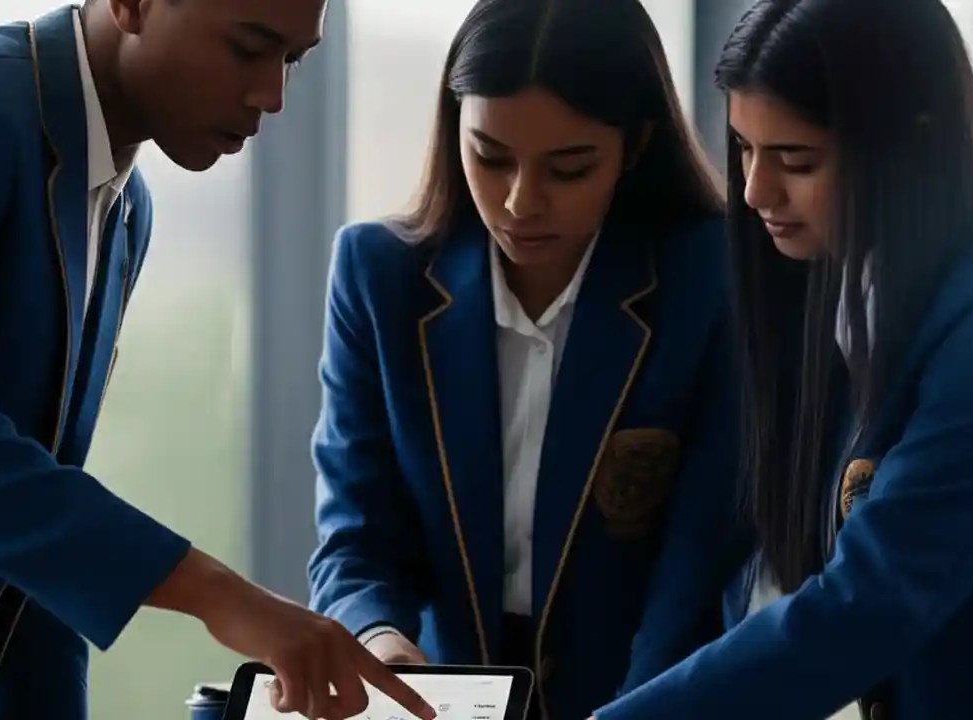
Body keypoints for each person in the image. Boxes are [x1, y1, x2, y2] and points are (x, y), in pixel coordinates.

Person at [0, 1, 437, 719]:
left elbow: (33, 506)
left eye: (291, 60)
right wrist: (220, 595)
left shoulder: (126, 202)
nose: (272, 96)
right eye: (247, 47)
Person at [590, 1, 973, 719]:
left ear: (909, 144)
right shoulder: (838, 273)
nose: (756, 191)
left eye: (796, 160)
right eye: (744, 149)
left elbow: (868, 602)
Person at [306, 1, 746, 719]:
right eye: (490, 157)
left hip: (653, 689)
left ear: (633, 147)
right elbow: (356, 532)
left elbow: (702, 557)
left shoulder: (714, 279)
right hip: (446, 698)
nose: (519, 203)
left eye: (568, 169)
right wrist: (380, 640)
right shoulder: (378, 275)